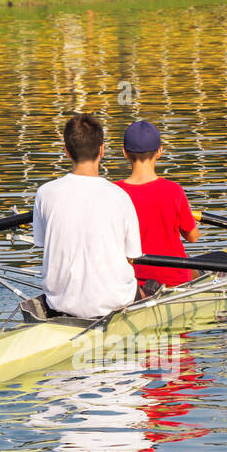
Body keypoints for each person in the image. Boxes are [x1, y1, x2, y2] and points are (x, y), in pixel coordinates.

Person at [34, 113, 141, 319]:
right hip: (115, 303)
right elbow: (132, 257)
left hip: (60, 304)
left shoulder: (44, 193)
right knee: (151, 286)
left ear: (66, 151)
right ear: (102, 150)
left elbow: (43, 245)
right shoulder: (121, 196)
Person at [114, 120, 199, 294]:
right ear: (159, 151)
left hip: (129, 281)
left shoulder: (113, 191)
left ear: (124, 153)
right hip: (173, 280)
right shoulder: (174, 191)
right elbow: (193, 238)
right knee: (196, 268)